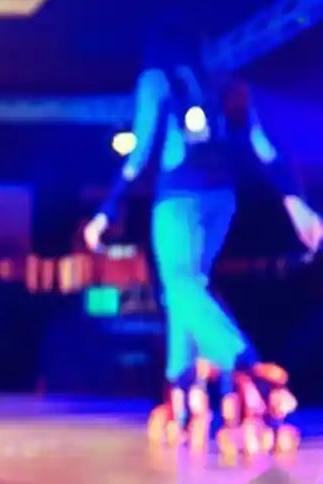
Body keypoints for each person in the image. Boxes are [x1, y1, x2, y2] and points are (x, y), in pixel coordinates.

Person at [83, 23, 323, 447]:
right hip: (221, 202)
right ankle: (183, 392)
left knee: (180, 284)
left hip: (177, 198)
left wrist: (106, 210)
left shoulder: (157, 77)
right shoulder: (226, 84)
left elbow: (139, 153)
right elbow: (264, 149)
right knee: (189, 287)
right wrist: (296, 203)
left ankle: (247, 368)